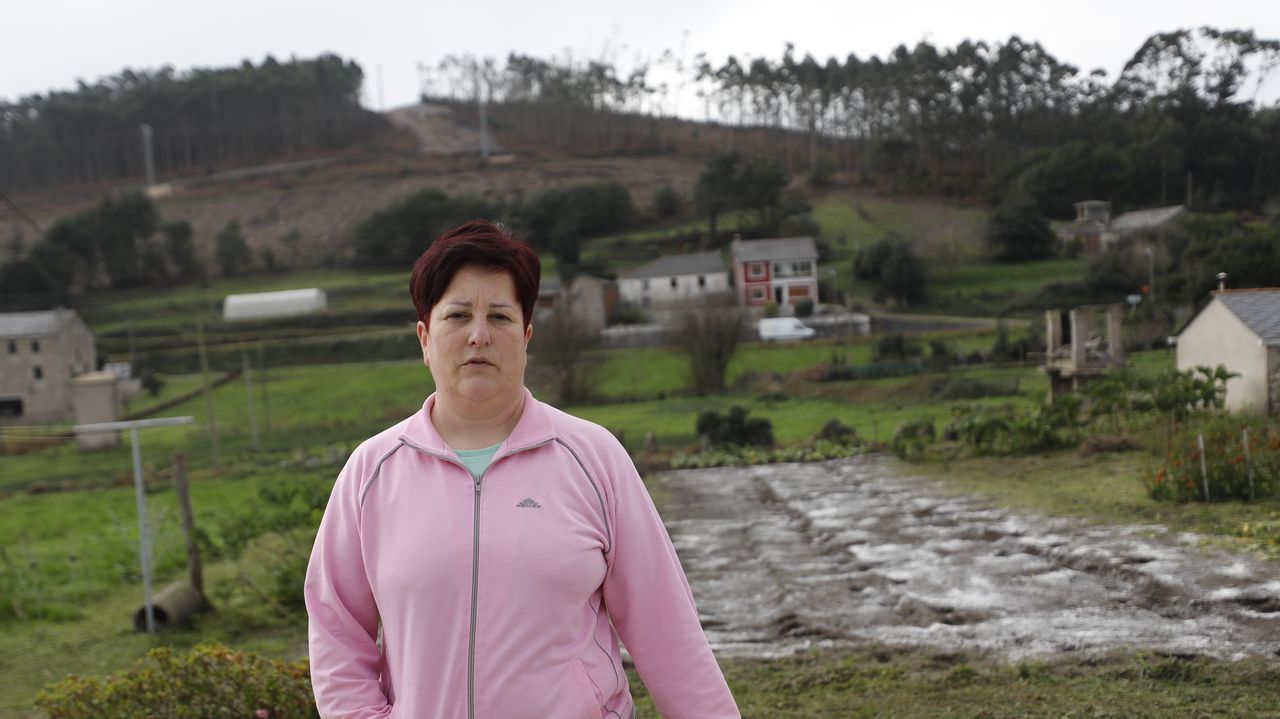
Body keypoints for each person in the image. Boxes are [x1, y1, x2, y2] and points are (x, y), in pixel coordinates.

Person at [305, 220, 739, 718]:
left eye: (500, 316)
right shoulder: (371, 472)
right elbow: (336, 629)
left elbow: (665, 625)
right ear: (425, 338)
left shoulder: (594, 458)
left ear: (526, 336)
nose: (479, 335)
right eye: (458, 316)